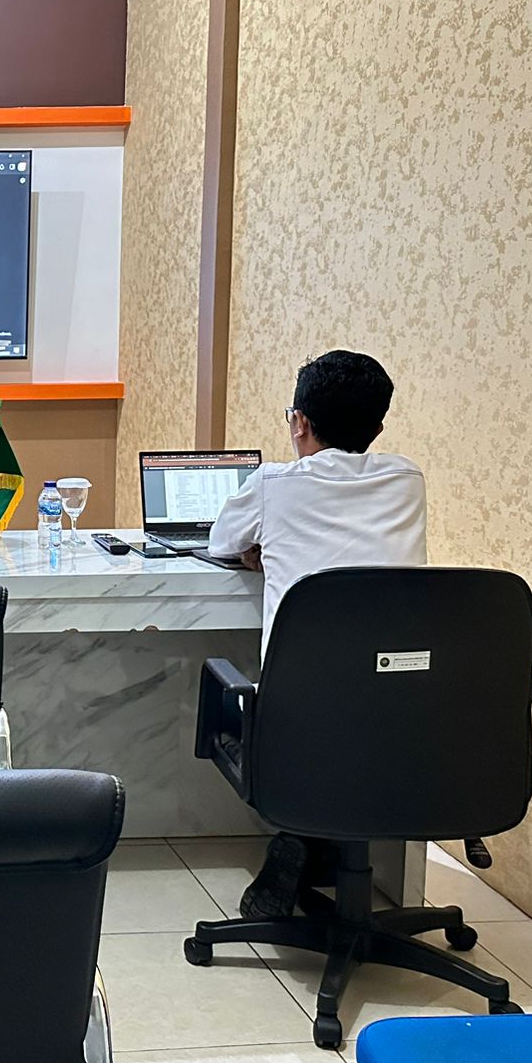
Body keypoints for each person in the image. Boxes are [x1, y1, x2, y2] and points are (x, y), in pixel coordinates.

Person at [208, 350, 427, 919]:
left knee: (260, 694)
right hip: (411, 727)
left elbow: (220, 543)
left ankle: (305, 839)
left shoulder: (276, 483)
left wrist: (267, 550)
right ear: (377, 428)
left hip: (299, 735)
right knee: (357, 703)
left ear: (300, 423)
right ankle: (317, 847)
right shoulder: (407, 481)